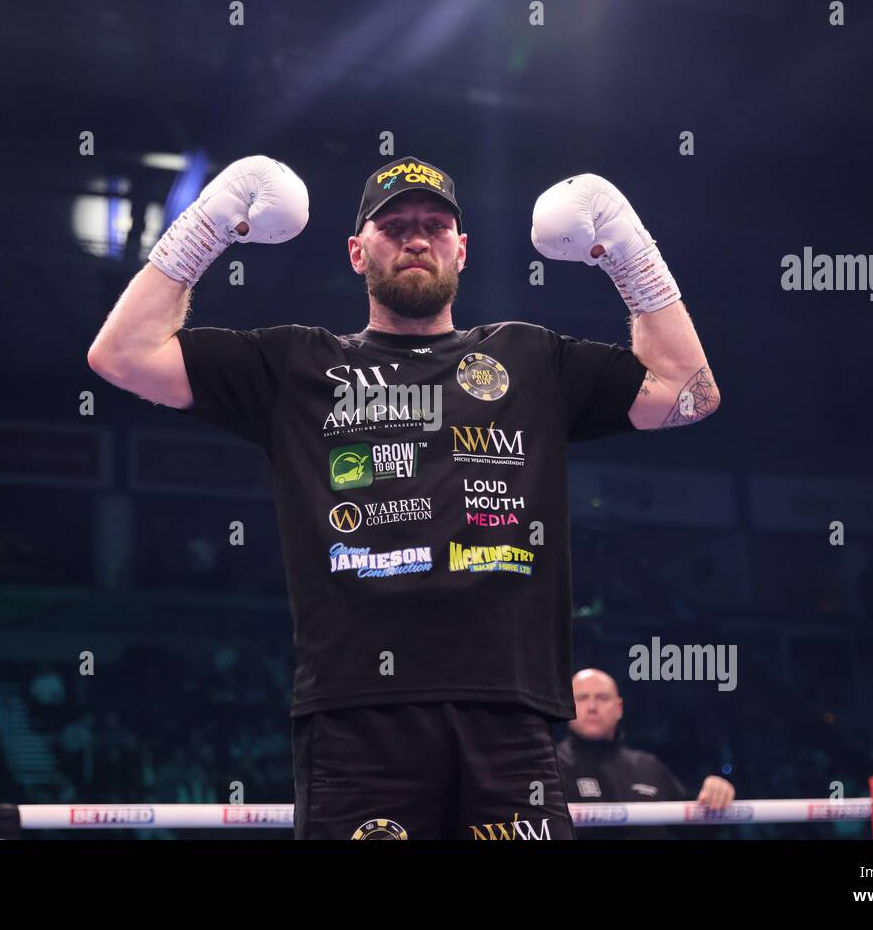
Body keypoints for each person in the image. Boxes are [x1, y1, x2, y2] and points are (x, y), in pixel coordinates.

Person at [87, 155, 721, 839]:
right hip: (358, 718)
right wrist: (210, 224)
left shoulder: (528, 358)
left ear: (461, 248)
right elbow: (122, 354)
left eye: (434, 224)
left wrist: (624, 248)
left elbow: (690, 391)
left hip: (511, 718)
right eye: (394, 227)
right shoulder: (297, 364)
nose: (416, 239)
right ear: (359, 251)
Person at [557, 669, 735, 838]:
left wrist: (715, 796)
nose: (592, 707)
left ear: (618, 708)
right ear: (566, 706)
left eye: (602, 698)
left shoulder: (648, 768)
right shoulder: (550, 768)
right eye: (581, 698)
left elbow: (697, 832)